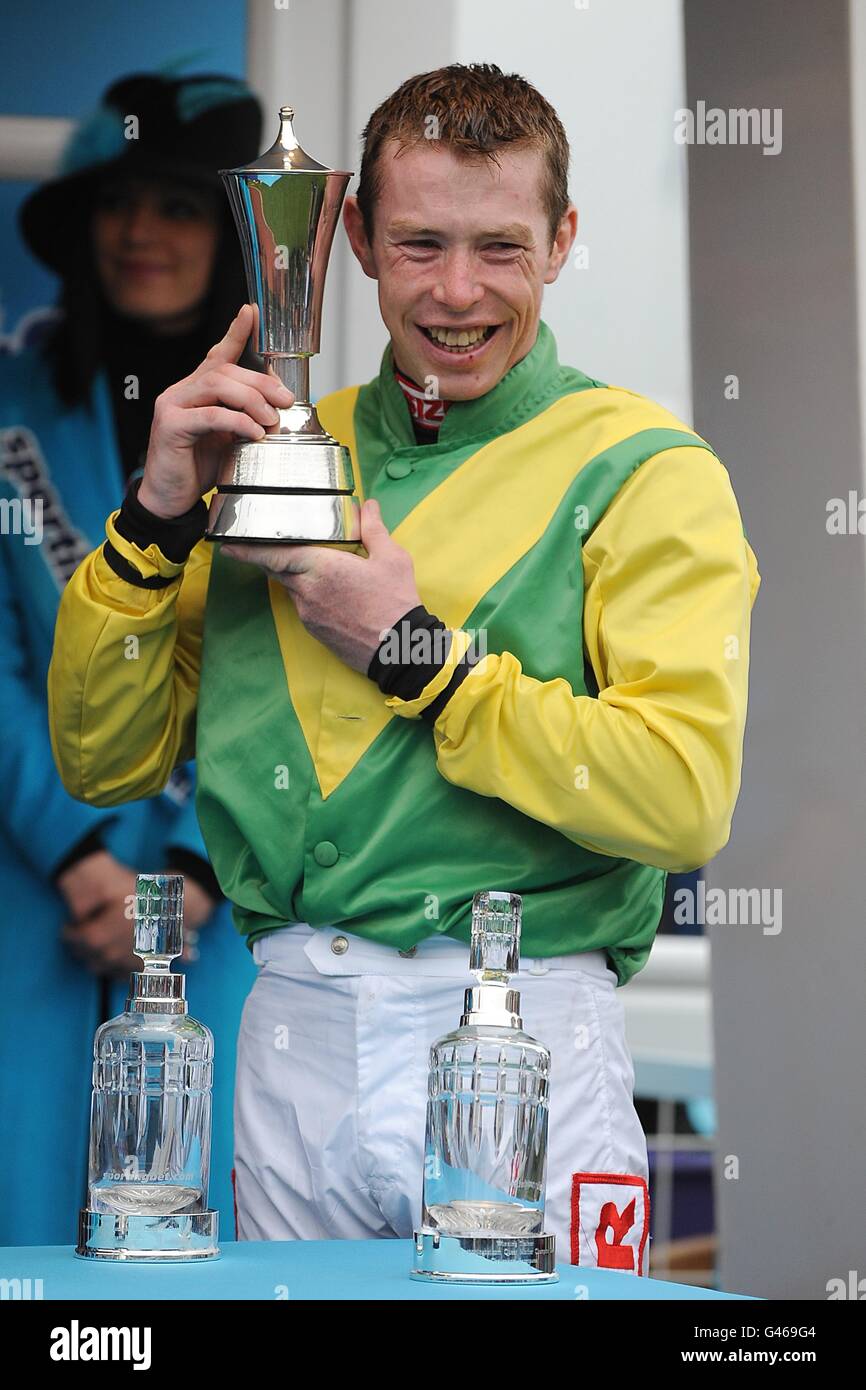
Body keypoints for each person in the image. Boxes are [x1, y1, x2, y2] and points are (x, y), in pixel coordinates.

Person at [47, 63, 761, 1272]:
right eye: (420, 243)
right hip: (289, 1037)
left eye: (500, 246)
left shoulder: (647, 466)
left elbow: (682, 797)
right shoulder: (271, 447)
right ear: (359, 244)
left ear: (562, 241)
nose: (458, 291)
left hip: (522, 1032)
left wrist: (416, 656)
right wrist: (156, 516)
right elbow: (103, 757)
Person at [0, 71, 262, 1243]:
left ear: (231, 234)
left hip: (221, 898)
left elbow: (289, 679)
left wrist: (198, 867)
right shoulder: (6, 401)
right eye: (119, 203)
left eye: (180, 204)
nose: (143, 231)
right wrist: (78, 848)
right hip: (35, 891)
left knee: (204, 1233)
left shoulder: (291, 426)